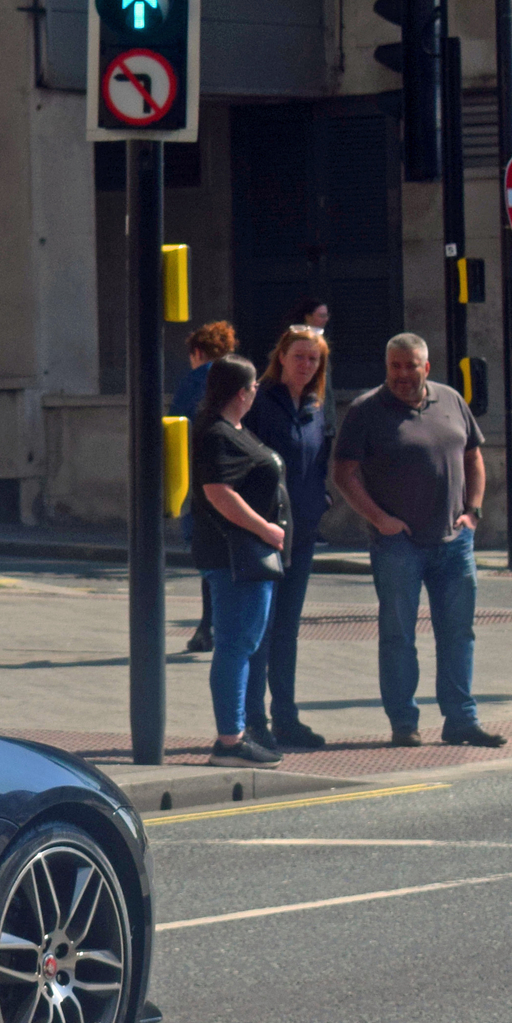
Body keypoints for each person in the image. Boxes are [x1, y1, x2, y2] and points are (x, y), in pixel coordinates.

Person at [331, 334, 505, 748]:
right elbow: (343, 473)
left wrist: (473, 512)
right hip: (398, 544)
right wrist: (379, 519)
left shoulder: (450, 400)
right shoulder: (365, 411)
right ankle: (403, 723)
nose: (403, 374)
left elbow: (473, 457)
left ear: (426, 368)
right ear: (386, 367)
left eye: (411, 366)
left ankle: (461, 720)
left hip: (454, 542)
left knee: (458, 634)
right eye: (395, 366)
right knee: (398, 636)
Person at [189, 355, 291, 766]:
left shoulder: (234, 430)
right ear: (240, 391)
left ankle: (237, 733)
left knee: (243, 644)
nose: (254, 395)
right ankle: (229, 740)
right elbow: (219, 492)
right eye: (252, 388)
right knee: (235, 645)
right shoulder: (216, 434)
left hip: (250, 555)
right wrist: (264, 529)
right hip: (235, 555)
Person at [240, 325, 332, 750]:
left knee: (287, 630)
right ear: (281, 358)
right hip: (267, 530)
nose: (306, 365)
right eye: (299, 357)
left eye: (313, 359)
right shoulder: (261, 403)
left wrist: (321, 501)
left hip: (304, 531)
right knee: (262, 629)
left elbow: (318, 462)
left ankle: (286, 718)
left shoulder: (314, 406)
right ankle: (252, 721)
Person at [172, 321, 238, 653]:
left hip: (200, 478)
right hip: (236, 475)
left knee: (208, 554)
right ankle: (210, 625)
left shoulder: (197, 380)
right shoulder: (240, 378)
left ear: (197, 353)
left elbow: (177, 427)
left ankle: (209, 626)